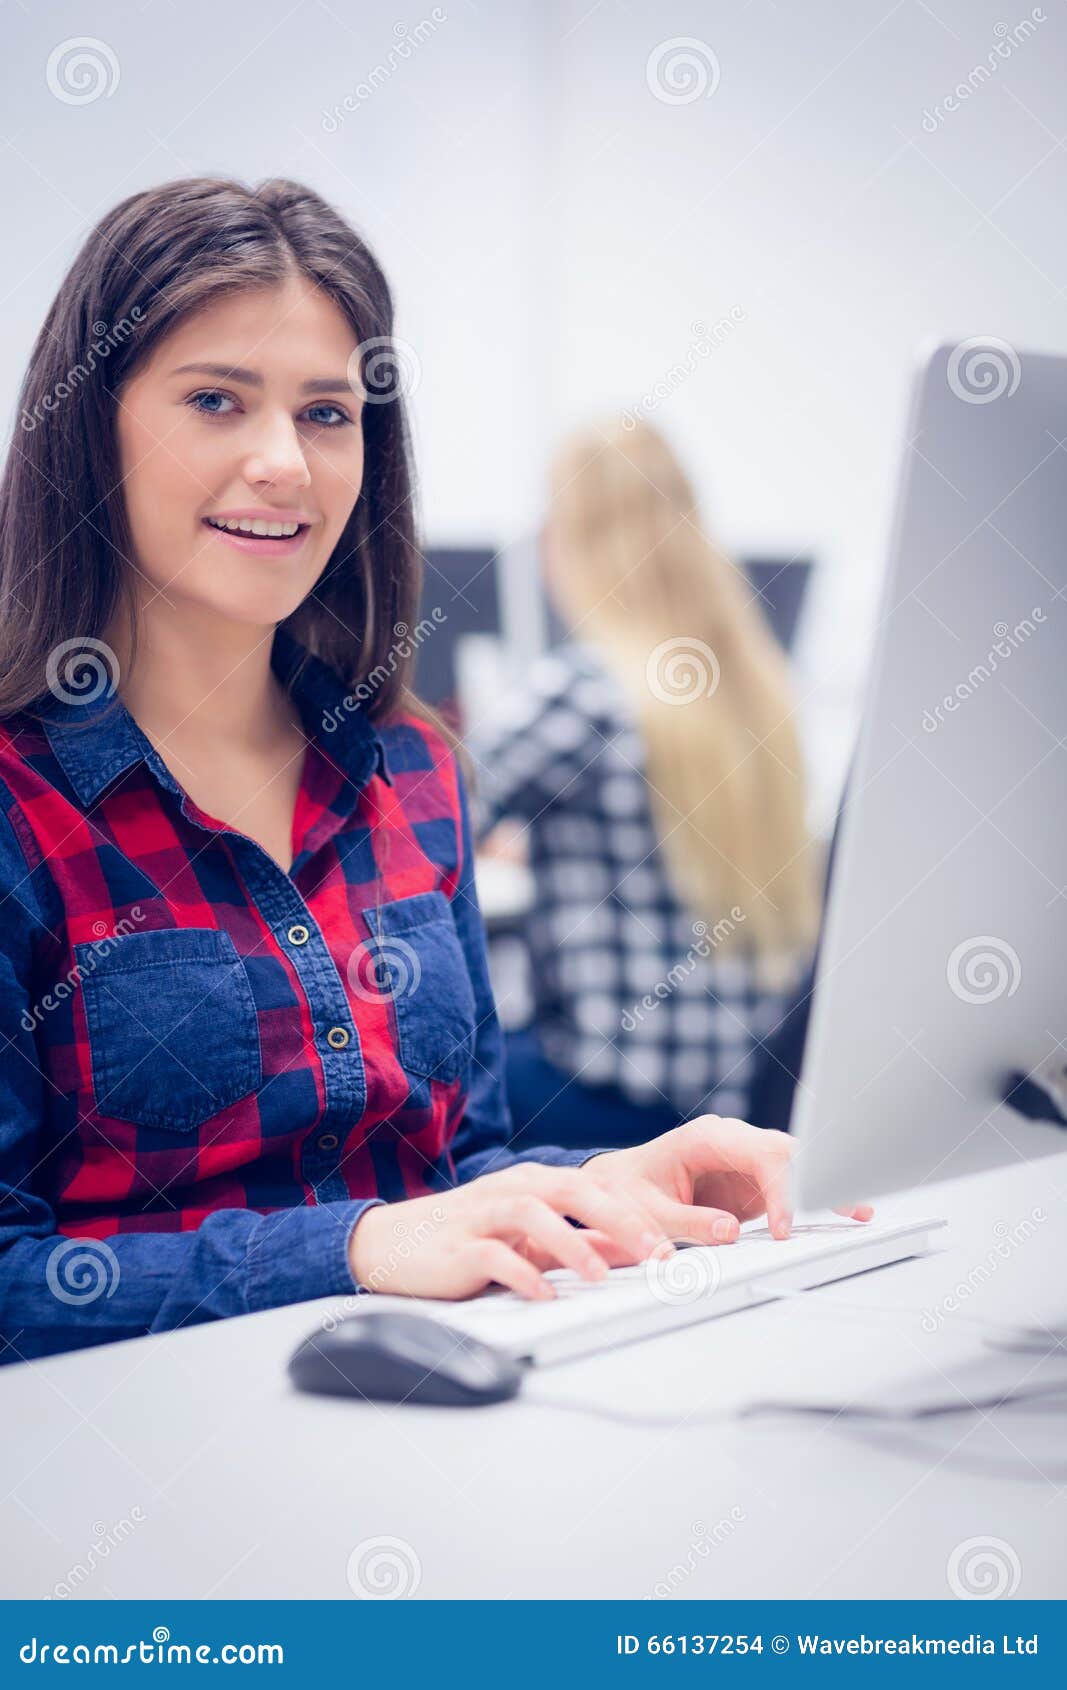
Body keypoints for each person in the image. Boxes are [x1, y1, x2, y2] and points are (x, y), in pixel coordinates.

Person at [0, 176, 870, 1364]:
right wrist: (355, 1246)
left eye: (325, 412)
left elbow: (453, 1169)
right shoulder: (23, 795)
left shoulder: (412, 770)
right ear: (87, 428)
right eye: (215, 400)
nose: (284, 462)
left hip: (422, 1406)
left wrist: (608, 1182)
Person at [468, 421, 822, 1149]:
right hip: (747, 1101)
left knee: (426, 1093)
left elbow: (416, 829)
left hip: (615, 1105)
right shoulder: (760, 687)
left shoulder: (583, 692)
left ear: (572, 542)